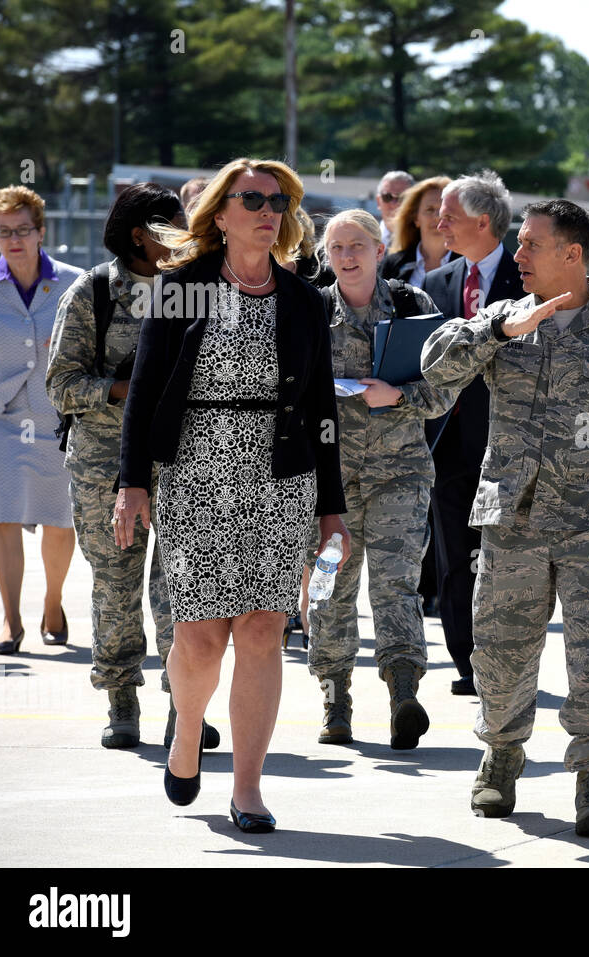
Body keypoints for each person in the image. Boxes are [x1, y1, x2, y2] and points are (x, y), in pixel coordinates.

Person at [422, 199, 589, 836]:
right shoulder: (502, 318)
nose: (515, 257)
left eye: (530, 246)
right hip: (512, 519)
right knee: (502, 650)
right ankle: (501, 755)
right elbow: (434, 374)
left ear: (571, 255)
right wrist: (496, 334)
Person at [113, 157, 349, 833]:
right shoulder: (179, 287)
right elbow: (145, 395)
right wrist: (132, 483)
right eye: (251, 198)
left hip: (282, 477)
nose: (266, 210)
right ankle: (188, 730)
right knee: (201, 638)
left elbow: (321, 406)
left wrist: (332, 511)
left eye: (277, 200)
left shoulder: (305, 298)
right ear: (219, 213)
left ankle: (248, 787)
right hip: (195, 474)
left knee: (264, 629)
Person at [47, 183, 219, 752]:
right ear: (141, 234)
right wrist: (123, 389)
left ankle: (183, 705)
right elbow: (61, 385)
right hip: (102, 465)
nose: (184, 237)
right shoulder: (94, 293)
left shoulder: (197, 291)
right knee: (116, 584)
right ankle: (122, 699)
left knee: (181, 589)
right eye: (172, 226)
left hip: (180, 461)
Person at [307, 209, 454, 748]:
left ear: (378, 248)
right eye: (336, 248)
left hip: (400, 473)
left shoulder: (415, 308)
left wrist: (399, 396)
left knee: (396, 584)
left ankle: (403, 694)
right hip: (331, 478)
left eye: (357, 246)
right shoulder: (311, 309)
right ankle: (335, 698)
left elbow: (447, 388)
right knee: (331, 588)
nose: (346, 257)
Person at [420, 170, 526, 696]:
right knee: (453, 557)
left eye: (449, 215)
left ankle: (505, 659)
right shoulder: (436, 283)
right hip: (446, 444)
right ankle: (467, 661)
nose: (438, 223)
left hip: (510, 445)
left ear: (483, 222)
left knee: (504, 558)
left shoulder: (527, 277)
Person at [0, 186, 80, 655]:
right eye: (5, 232)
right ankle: (11, 620)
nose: (14, 240)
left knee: (60, 519)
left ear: (42, 231)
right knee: (2, 517)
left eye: (23, 230)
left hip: (57, 415)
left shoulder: (73, 282)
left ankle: (54, 603)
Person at [382, 175, 452, 285]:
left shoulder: (470, 264)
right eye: (430, 209)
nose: (438, 216)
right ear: (415, 218)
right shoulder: (392, 264)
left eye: (444, 210)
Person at [375, 170, 414, 247]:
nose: (395, 204)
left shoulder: (424, 243)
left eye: (402, 198)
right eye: (387, 197)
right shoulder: (365, 240)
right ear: (378, 202)